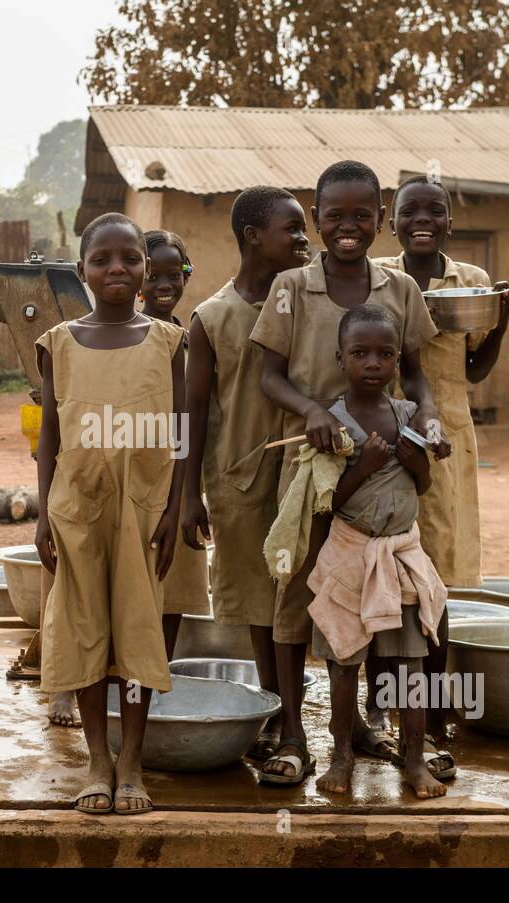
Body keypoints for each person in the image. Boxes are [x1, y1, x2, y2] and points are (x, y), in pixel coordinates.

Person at [249, 160, 445, 785]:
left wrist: (428, 418)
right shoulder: (290, 286)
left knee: (389, 606)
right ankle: (294, 734)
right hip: (312, 471)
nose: (349, 228)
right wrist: (310, 410)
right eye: (335, 216)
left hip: (389, 471)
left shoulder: (399, 290)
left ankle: (374, 727)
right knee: (297, 602)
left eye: (363, 216)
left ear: (381, 219)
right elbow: (269, 375)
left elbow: (415, 373)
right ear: (317, 216)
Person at [35, 212, 186, 815]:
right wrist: (45, 512)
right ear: (82, 272)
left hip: (144, 509)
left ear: (147, 269)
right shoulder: (59, 343)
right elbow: (49, 434)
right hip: (77, 507)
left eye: (129, 258)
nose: (117, 268)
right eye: (102, 260)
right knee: (86, 630)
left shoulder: (169, 341)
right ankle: (98, 759)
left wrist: (177, 504)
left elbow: (182, 434)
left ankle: (132, 761)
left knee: (138, 634)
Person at [371, 174, 509, 770]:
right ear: (395, 222)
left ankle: (433, 713)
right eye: (410, 211)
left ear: (449, 223)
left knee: (433, 580)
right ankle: (381, 709)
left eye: (435, 211)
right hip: (383, 434)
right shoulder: (378, 279)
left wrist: (503, 319)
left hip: (447, 441)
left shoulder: (472, 284)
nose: (422, 220)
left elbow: (476, 367)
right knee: (381, 572)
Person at [180, 186, 310, 759]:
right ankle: (277, 712)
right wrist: (187, 497)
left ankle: (300, 719)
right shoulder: (212, 318)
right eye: (294, 228)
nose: (305, 239)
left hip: (308, 476)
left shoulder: (312, 302)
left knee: (302, 597)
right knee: (261, 605)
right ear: (254, 237)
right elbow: (193, 414)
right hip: (239, 479)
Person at [305, 303, 449, 799]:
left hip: (401, 556)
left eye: (385, 355)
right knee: (344, 662)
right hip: (349, 555)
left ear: (396, 363)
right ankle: (341, 755)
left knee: (410, 665)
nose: (373, 363)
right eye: (360, 353)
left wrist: (419, 463)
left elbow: (423, 488)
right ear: (339, 357)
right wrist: (363, 467)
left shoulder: (409, 415)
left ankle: (413, 760)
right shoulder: (331, 422)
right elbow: (325, 504)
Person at [138, 230, 211, 655]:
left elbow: (193, 421)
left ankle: (159, 672)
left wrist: (190, 494)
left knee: (176, 580)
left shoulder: (192, 338)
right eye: (152, 274)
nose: (164, 285)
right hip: (136, 479)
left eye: (175, 273)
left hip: (180, 481)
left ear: (188, 274)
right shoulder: (125, 336)